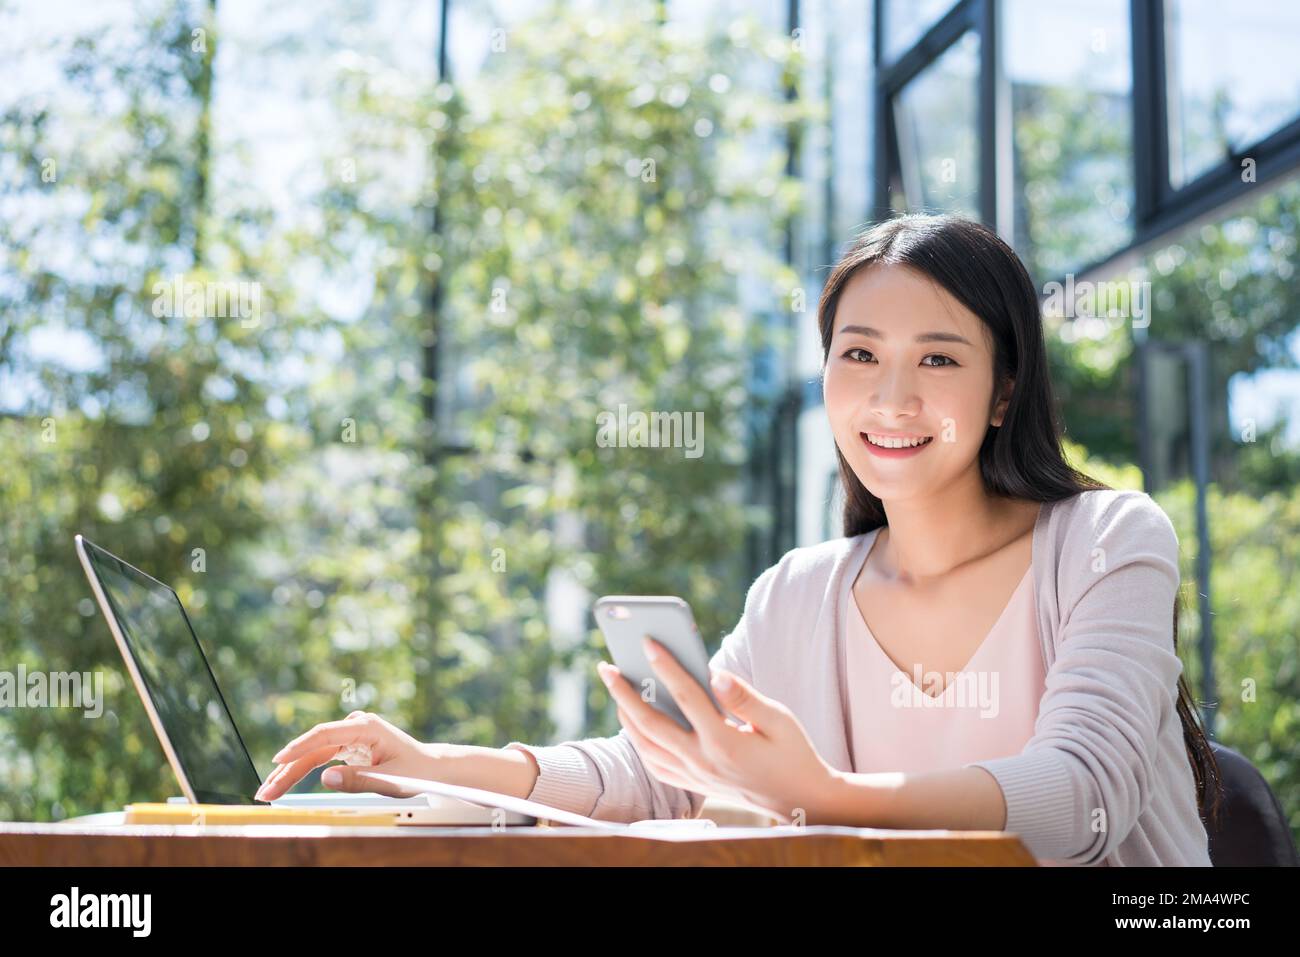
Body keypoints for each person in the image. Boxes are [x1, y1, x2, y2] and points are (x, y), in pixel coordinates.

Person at [255, 213, 1222, 866]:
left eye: (938, 357)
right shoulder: (798, 592)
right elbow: (664, 774)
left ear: (1005, 388)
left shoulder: (1104, 539)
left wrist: (826, 793)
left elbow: (1079, 799)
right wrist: (437, 762)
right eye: (859, 355)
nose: (892, 398)